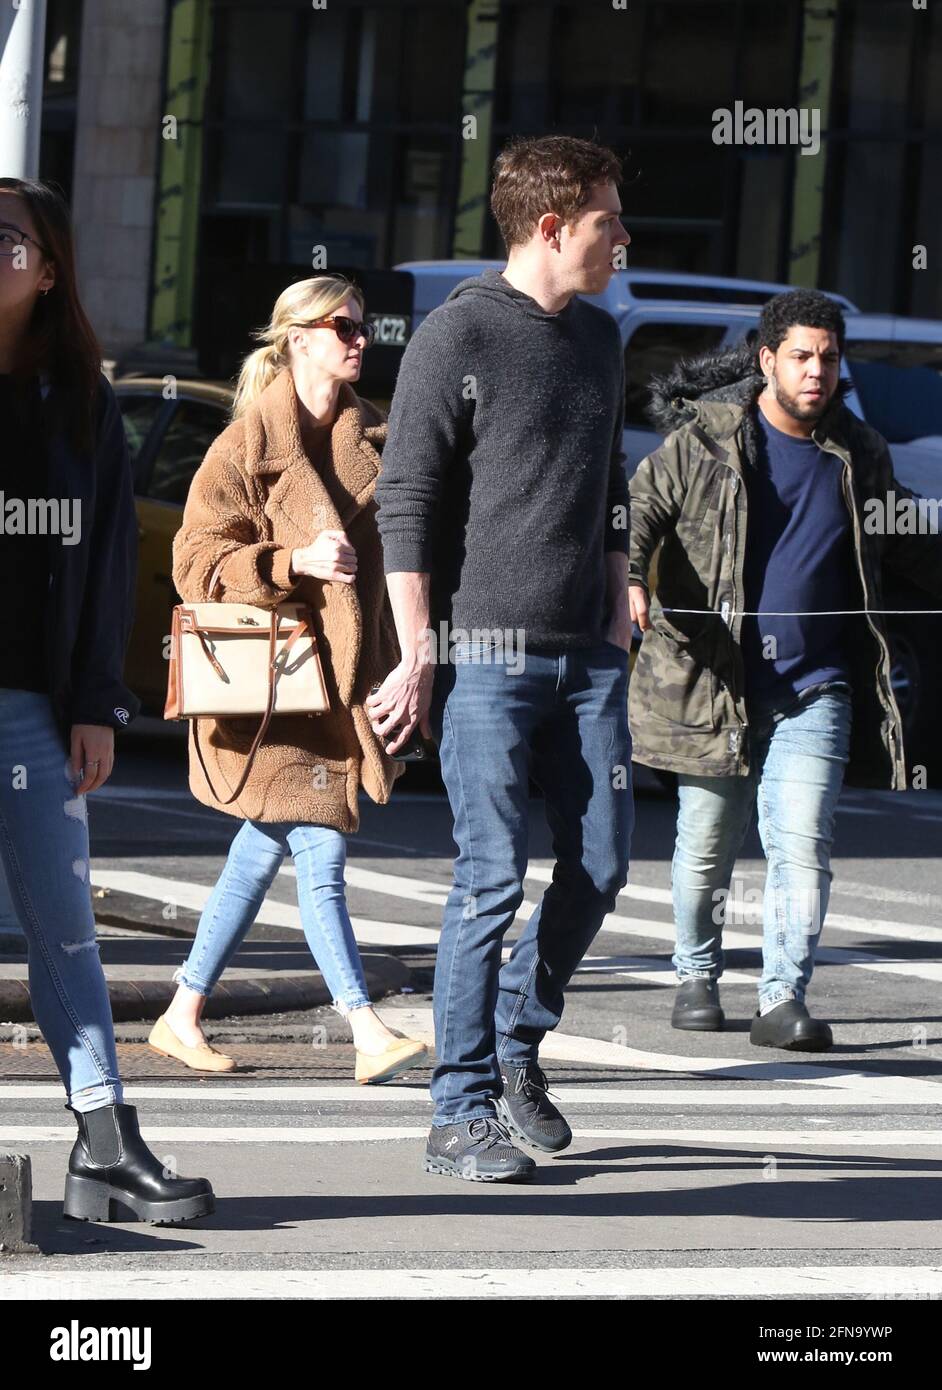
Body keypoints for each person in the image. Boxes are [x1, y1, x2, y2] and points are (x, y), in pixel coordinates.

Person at [371, 136, 634, 1181]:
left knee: (605, 858)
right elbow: (407, 499)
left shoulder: (604, 340)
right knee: (488, 876)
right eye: (610, 220)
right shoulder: (459, 333)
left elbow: (610, 479)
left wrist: (617, 610)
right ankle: (458, 1107)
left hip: (588, 654)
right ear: (552, 226)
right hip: (482, 653)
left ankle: (521, 1038)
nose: (624, 239)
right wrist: (416, 652)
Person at [627, 288, 942, 1050]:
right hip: (713, 680)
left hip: (816, 685)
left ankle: (781, 998)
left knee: (802, 842)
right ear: (767, 360)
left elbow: (897, 533)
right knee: (707, 839)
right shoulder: (706, 440)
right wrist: (630, 580)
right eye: (802, 355)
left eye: (830, 358)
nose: (818, 371)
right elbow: (638, 511)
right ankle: (696, 975)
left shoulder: (857, 450)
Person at [0, 176, 214, 1223]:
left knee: (64, 930)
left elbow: (109, 568)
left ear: (47, 270)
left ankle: (105, 1142)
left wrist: (95, 702)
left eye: (5, 240)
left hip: (31, 710)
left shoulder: (81, 404)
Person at [156, 275, 427, 1085]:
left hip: (342, 687)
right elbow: (195, 563)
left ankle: (180, 1013)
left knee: (261, 849)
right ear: (298, 338)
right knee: (318, 847)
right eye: (342, 326)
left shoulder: (376, 437)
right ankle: (365, 1028)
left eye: (361, 327)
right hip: (274, 692)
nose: (359, 339)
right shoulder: (242, 448)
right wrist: (289, 562)